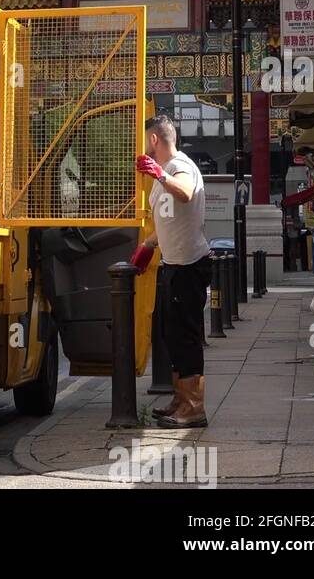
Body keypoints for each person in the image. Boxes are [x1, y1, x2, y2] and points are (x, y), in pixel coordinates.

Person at [129, 114, 211, 428]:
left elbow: (186, 192)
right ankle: (180, 399)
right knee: (171, 335)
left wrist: (160, 174)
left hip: (189, 267)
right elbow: (169, 220)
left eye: (144, 142)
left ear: (153, 140)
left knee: (186, 338)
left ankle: (194, 407)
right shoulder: (165, 172)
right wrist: (148, 245)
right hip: (173, 265)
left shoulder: (181, 166)